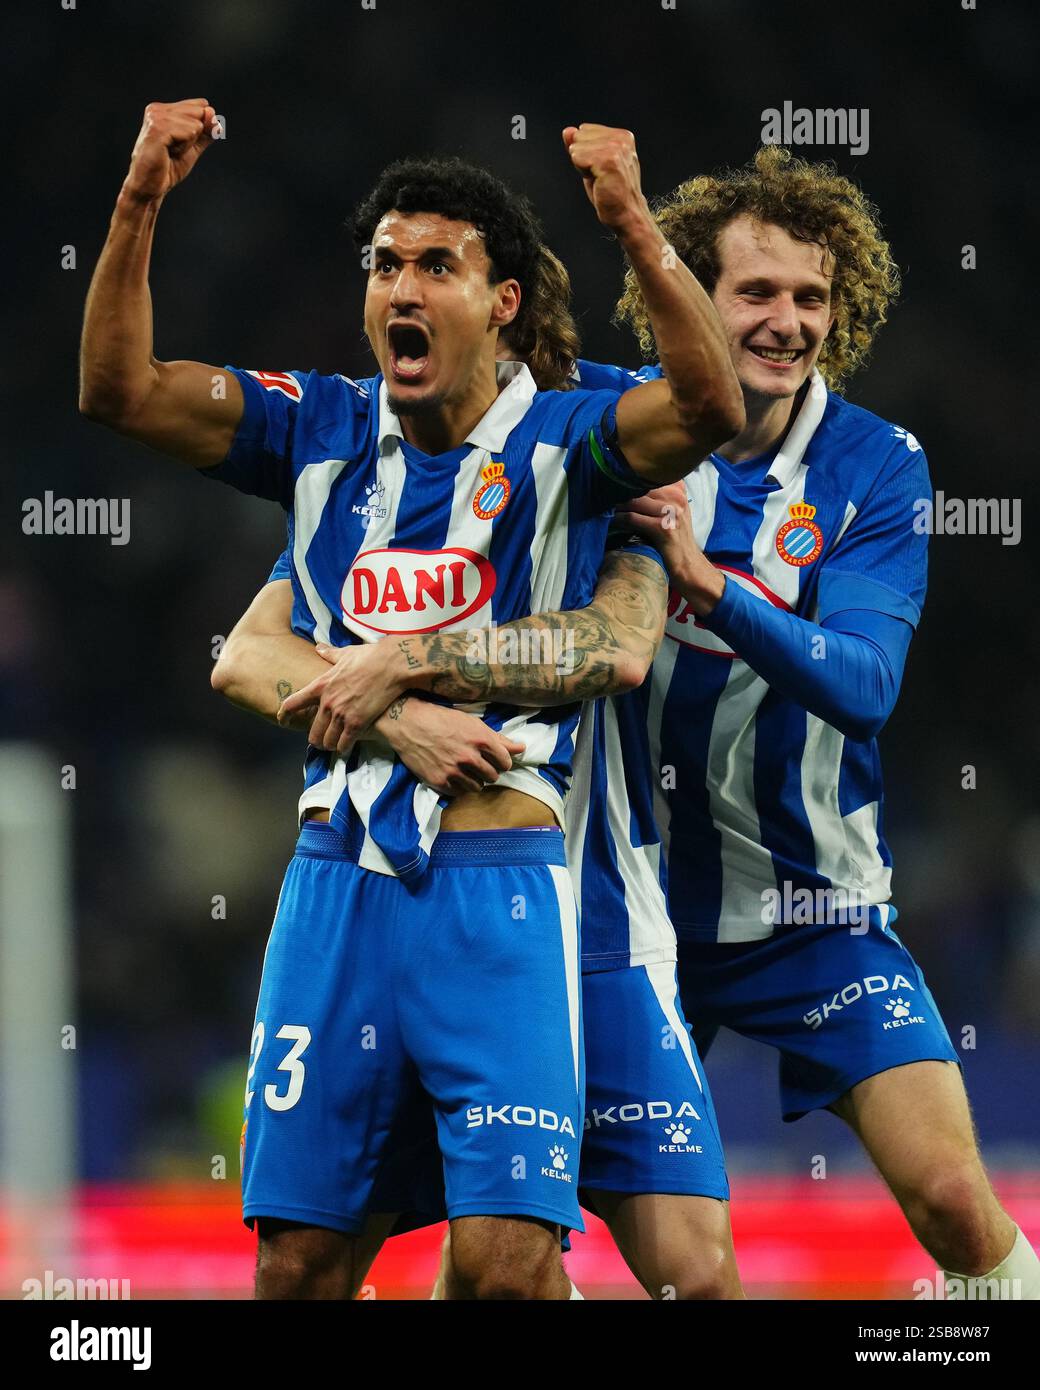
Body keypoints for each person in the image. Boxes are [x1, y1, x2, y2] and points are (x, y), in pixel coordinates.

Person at [78, 97, 744, 1299]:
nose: (401, 286)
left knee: (503, 1265)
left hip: (504, 895)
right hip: (336, 883)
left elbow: (707, 410)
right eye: (385, 263)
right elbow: (120, 390)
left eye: (438, 264)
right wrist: (137, 202)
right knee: (297, 1261)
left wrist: (634, 225)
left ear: (502, 302)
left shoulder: (569, 442)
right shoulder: (316, 430)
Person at [216, 257, 743, 1299]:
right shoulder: (372, 494)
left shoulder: (622, 488)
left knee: (676, 1269)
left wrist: (413, 665)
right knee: (379, 1252)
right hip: (410, 886)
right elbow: (244, 653)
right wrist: (396, 717)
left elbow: (621, 647)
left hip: (590, 913)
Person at [576, 145, 1039, 1300]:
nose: (786, 321)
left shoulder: (875, 464)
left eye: (810, 297)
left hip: (813, 907)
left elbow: (863, 681)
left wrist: (703, 578)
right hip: (629, 908)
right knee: (584, 1253)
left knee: (948, 1199)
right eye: (756, 292)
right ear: (687, 295)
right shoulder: (605, 425)